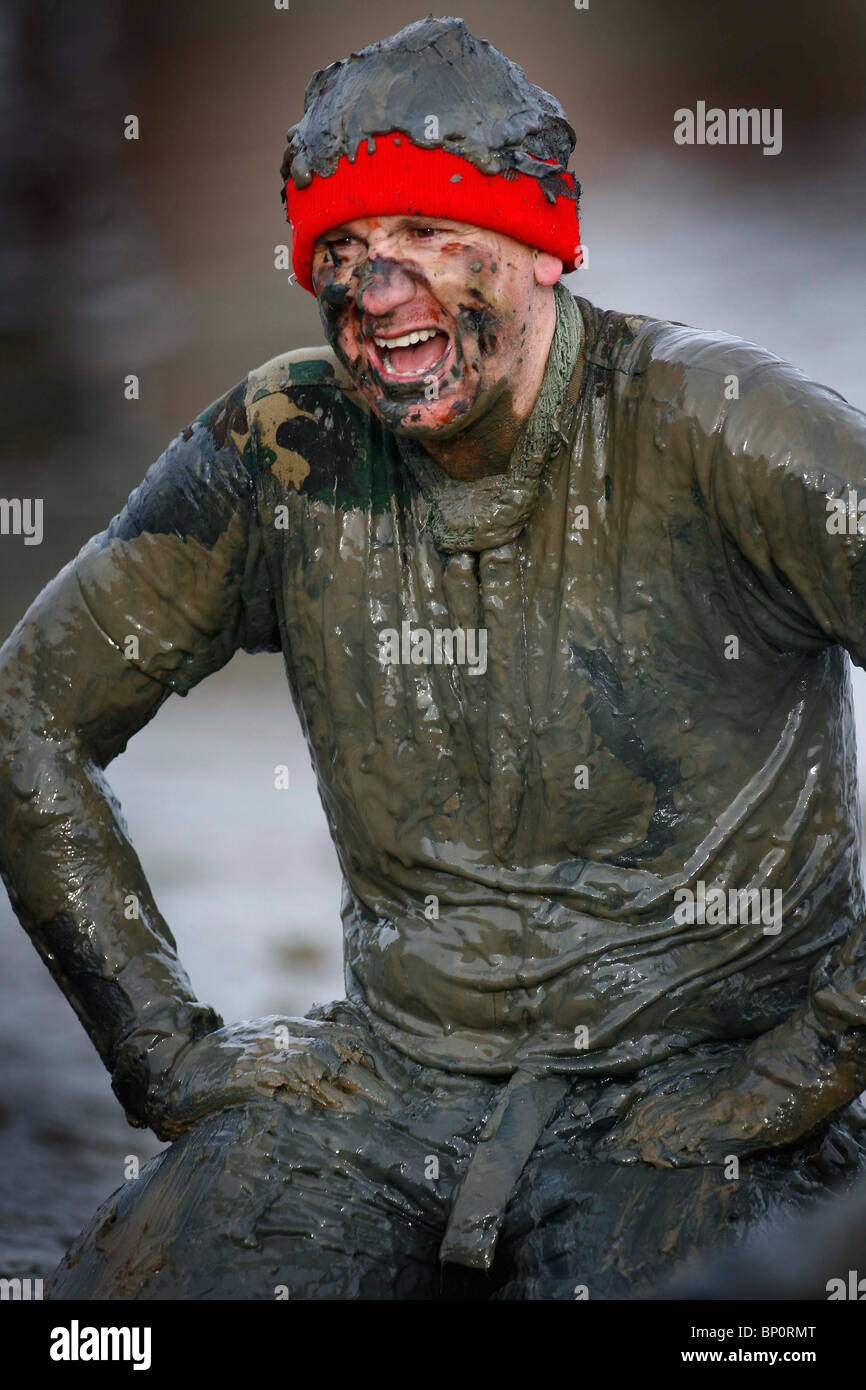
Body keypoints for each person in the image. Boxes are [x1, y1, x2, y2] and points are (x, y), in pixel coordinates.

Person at [2, 15, 865, 1300]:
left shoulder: (728, 431)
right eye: (341, 249)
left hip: (703, 1082)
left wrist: (816, 1057)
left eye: (427, 237)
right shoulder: (281, 449)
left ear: (535, 250)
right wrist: (167, 1051)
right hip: (391, 1075)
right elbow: (29, 713)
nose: (375, 288)